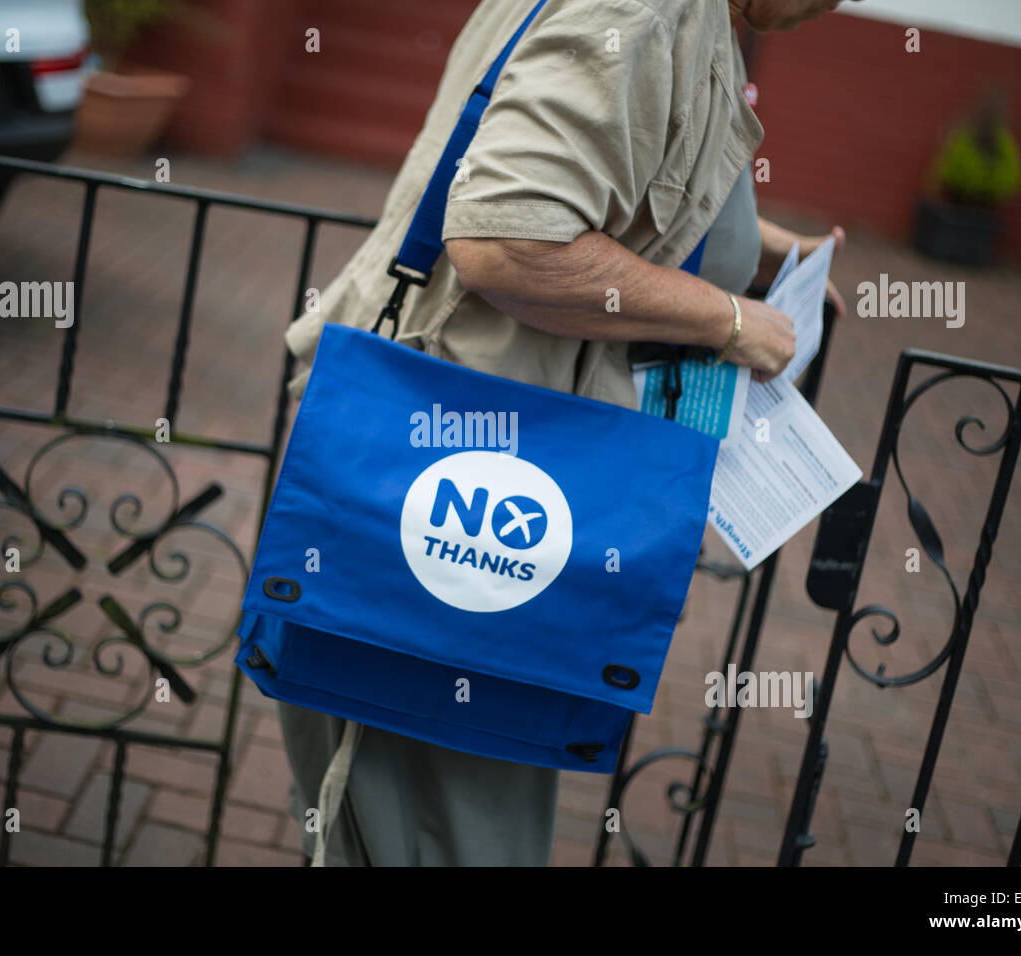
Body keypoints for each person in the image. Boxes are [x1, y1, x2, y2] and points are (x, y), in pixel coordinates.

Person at [278, 0, 856, 866]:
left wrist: (751, 246)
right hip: (464, 488)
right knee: (431, 829)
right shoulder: (645, 9)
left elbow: (610, 173)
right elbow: (508, 234)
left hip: (486, 474)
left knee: (438, 818)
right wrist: (730, 318)